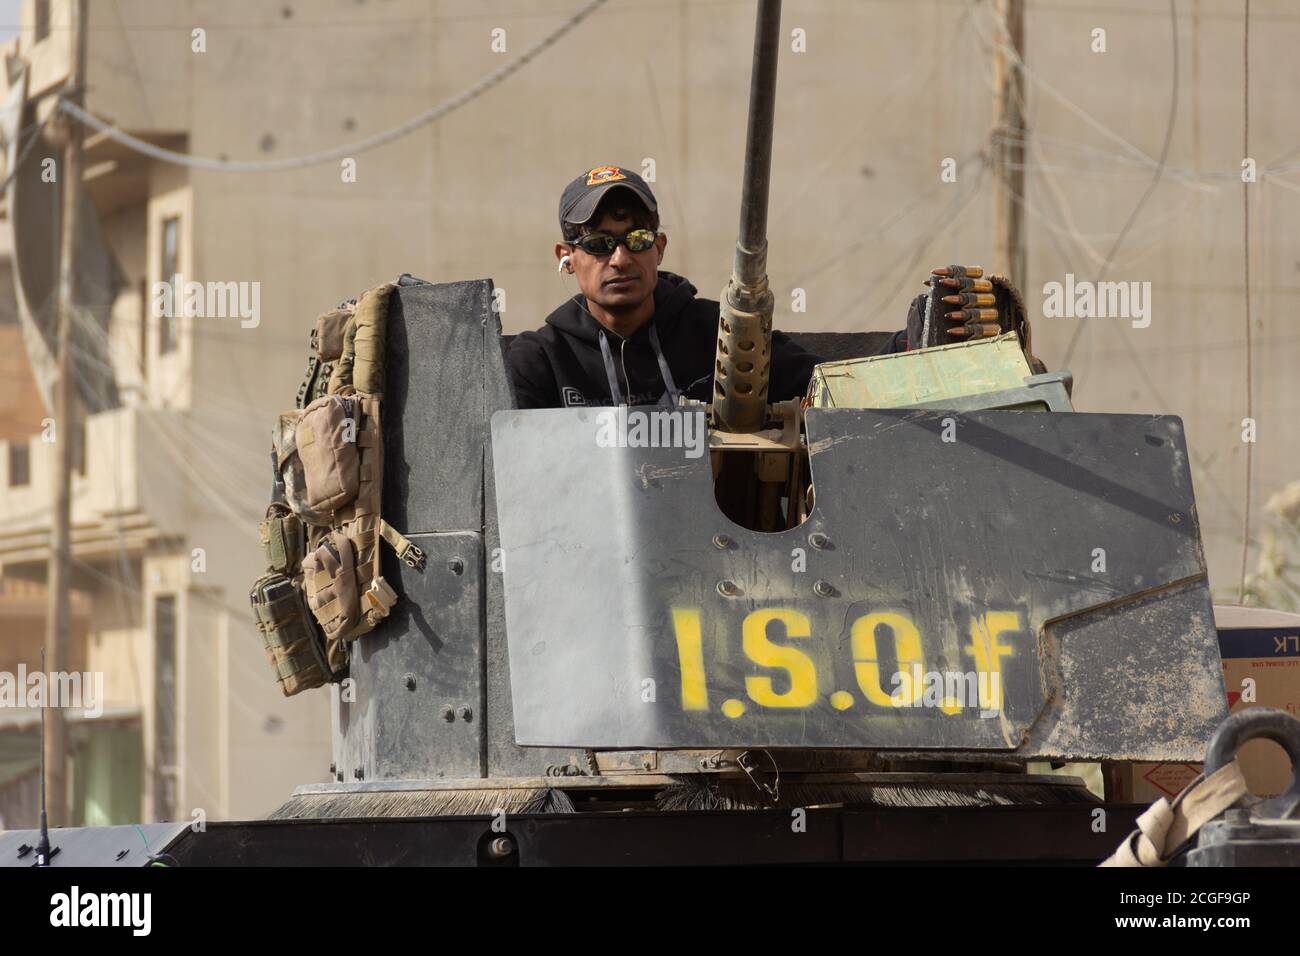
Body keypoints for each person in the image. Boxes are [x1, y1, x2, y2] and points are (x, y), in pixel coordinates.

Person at [507, 165, 1027, 409]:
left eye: (637, 238)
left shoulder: (719, 334)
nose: (620, 257)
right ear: (567, 258)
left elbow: (821, 383)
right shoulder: (540, 361)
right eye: (599, 243)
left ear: (660, 248)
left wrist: (914, 348)